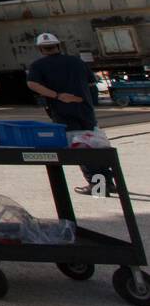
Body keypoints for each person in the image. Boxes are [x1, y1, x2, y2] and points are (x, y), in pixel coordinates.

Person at [26, 32, 115, 196]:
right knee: (94, 144)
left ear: (40, 49)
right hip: (85, 110)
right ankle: (108, 182)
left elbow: (32, 84)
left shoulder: (38, 65)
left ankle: (98, 188)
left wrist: (57, 95)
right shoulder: (76, 61)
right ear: (58, 45)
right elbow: (91, 82)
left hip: (63, 112)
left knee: (80, 147)